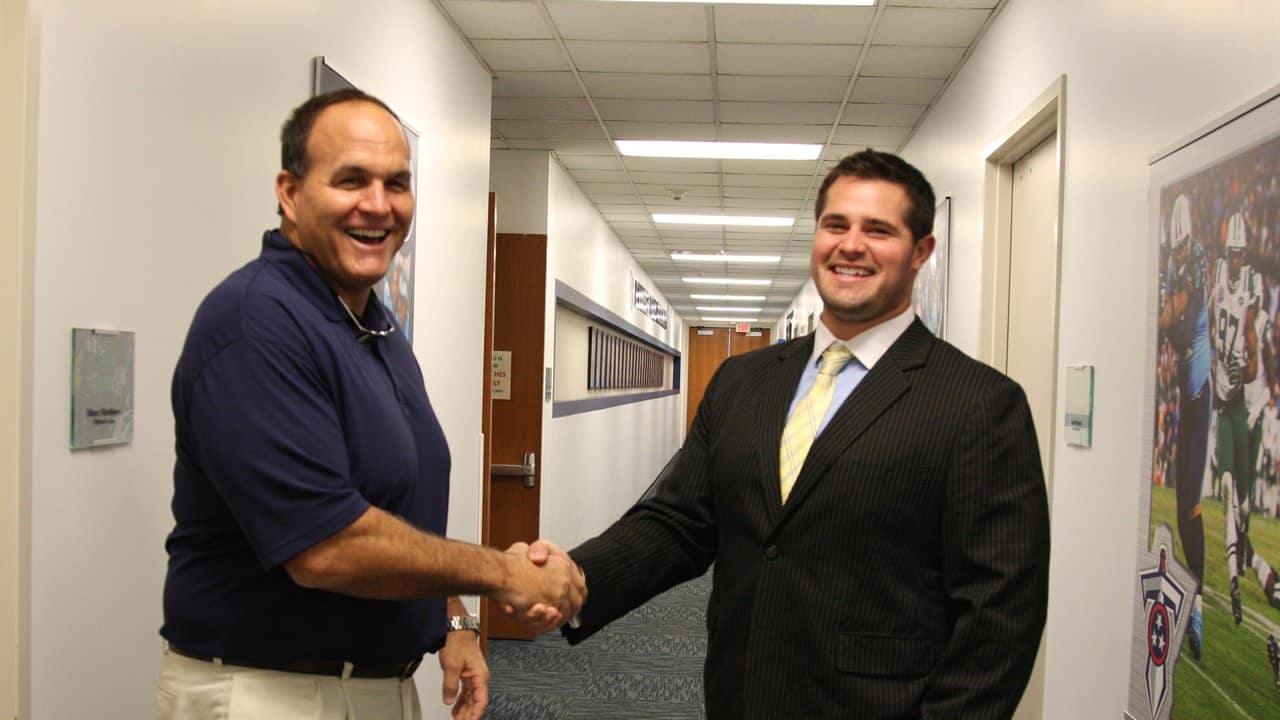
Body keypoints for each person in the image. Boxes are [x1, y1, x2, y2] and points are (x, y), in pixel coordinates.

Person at [540, 150, 1050, 719]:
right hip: (740, 694)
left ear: (920, 252)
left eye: (878, 230)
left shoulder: (979, 404)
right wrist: (579, 576)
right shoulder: (744, 380)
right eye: (836, 225)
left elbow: (1000, 617)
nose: (851, 244)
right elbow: (680, 522)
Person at [156, 89, 585, 720]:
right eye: (351, 180)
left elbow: (397, 508)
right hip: (270, 694)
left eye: (397, 183)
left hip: (369, 687)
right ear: (289, 191)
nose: (378, 205)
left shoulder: (371, 326)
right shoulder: (255, 324)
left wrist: (453, 620)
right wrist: (504, 574)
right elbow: (328, 545)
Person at [1158, 192, 1211, 661]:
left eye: (1180, 248)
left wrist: (1174, 318)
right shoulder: (1180, 269)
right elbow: (1167, 327)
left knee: (1191, 502)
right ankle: (1194, 598)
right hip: (1186, 391)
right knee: (1180, 503)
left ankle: (1197, 608)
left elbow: (1180, 325)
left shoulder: (1197, 266)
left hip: (1199, 392)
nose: (1177, 255)